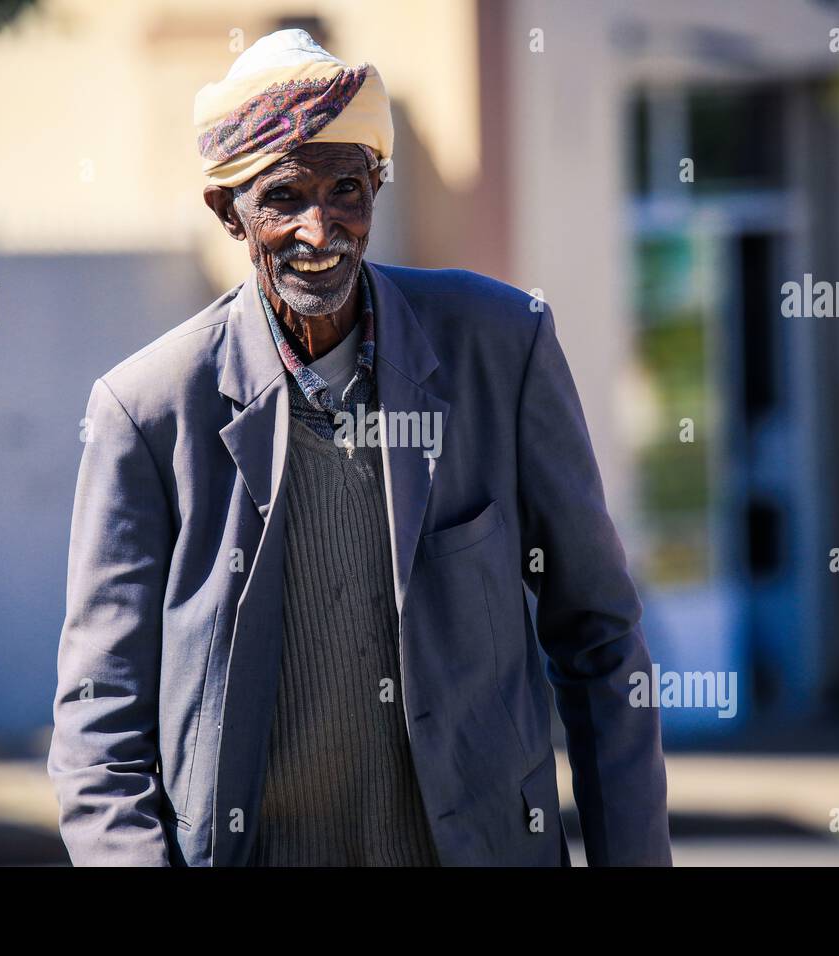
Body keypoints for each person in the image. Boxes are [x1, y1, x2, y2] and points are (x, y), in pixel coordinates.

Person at [47, 28, 671, 867]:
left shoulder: (500, 346)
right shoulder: (147, 412)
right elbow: (99, 725)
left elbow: (599, 639)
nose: (319, 227)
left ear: (378, 182)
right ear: (228, 212)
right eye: (282, 197)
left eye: (346, 188)